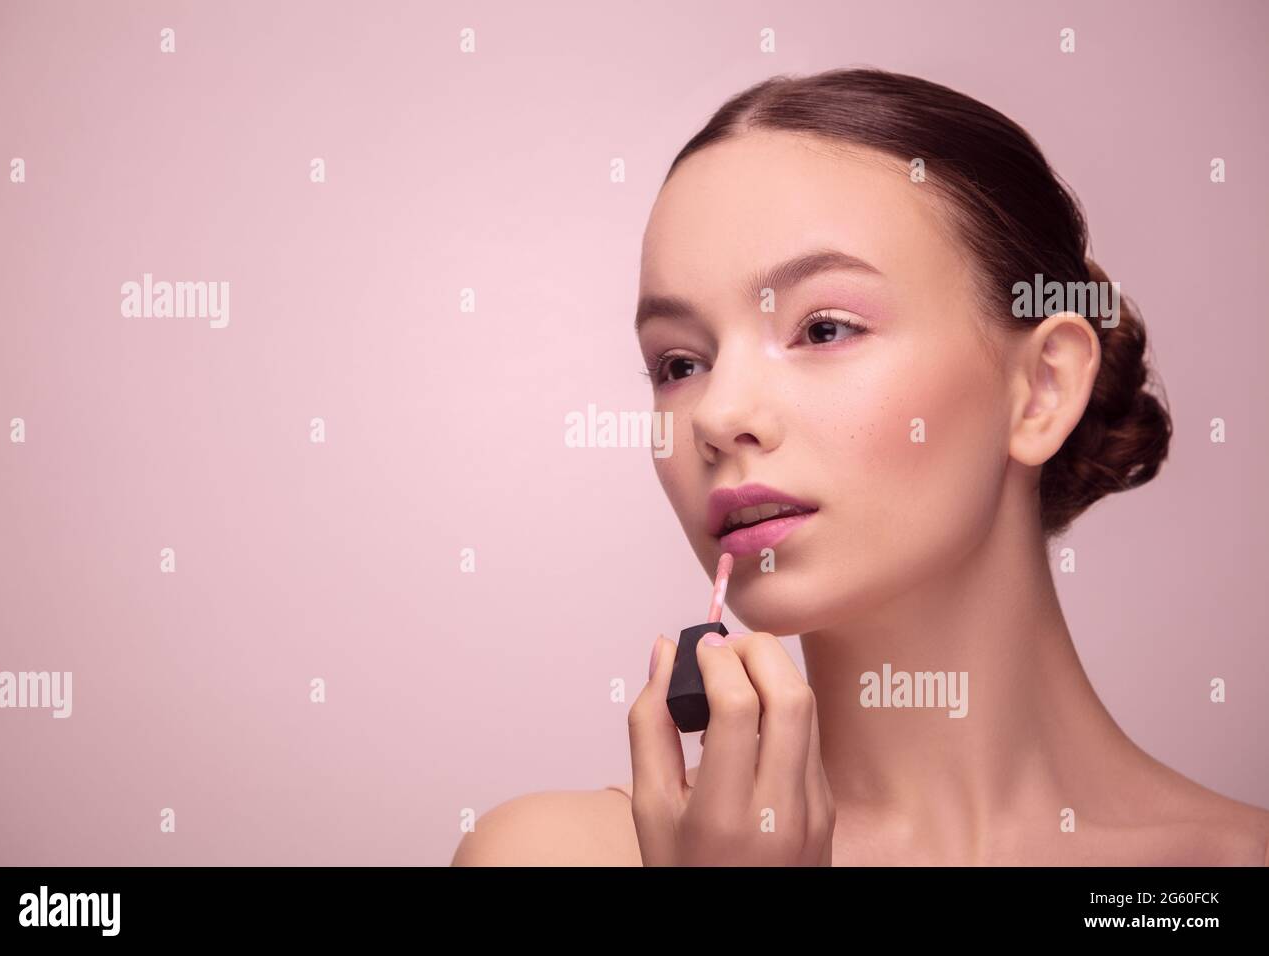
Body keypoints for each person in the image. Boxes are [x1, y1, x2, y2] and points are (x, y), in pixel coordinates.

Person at [451, 68, 1269, 866]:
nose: (719, 415)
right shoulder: (553, 855)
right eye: (677, 364)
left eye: (826, 329)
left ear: (1041, 389)